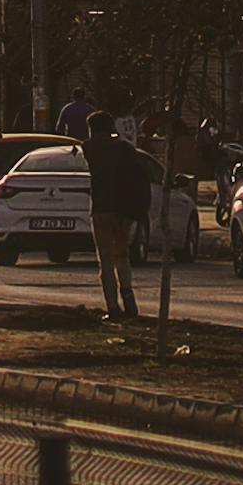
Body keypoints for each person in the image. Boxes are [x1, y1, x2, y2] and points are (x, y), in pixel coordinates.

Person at [83, 109, 153, 329]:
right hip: (124, 209)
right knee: (122, 255)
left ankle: (112, 307)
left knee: (105, 260)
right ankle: (128, 297)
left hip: (101, 209)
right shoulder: (124, 148)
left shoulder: (90, 148)